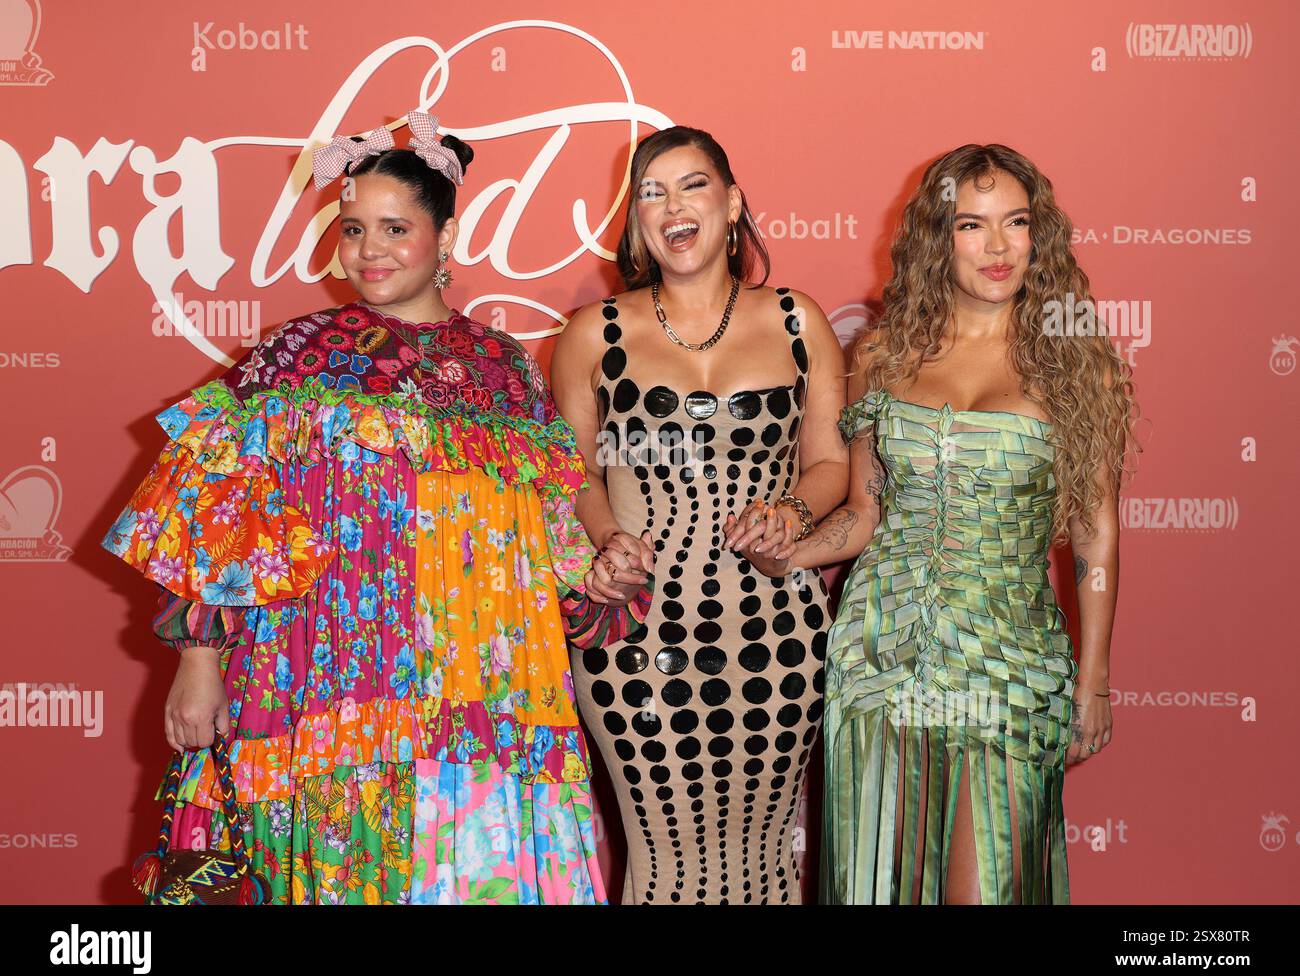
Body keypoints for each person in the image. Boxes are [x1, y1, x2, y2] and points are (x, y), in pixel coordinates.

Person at [102, 110, 649, 904]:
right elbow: (216, 504)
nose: (370, 251)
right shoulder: (296, 354)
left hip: (480, 696)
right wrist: (198, 659)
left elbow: (554, 517)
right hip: (319, 689)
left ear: (445, 236)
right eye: (353, 229)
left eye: (396, 227)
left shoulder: (501, 368)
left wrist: (601, 569)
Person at [764, 144, 1138, 904]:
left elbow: (1097, 532)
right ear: (941, 235)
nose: (998, 248)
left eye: (1017, 223)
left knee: (987, 889)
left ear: (1042, 234)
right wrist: (795, 555)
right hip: (882, 652)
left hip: (1010, 661)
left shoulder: (1078, 362)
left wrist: (1094, 678)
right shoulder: (884, 355)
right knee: (882, 885)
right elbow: (866, 511)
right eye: (973, 224)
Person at [551, 125, 849, 904]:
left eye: (692, 185)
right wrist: (606, 539)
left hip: (777, 625)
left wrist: (790, 510)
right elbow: (569, 475)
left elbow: (830, 465)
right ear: (636, 221)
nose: (673, 206)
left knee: (764, 858)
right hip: (639, 627)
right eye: (651, 191)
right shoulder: (594, 333)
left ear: (733, 201)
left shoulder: (798, 320)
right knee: (663, 858)